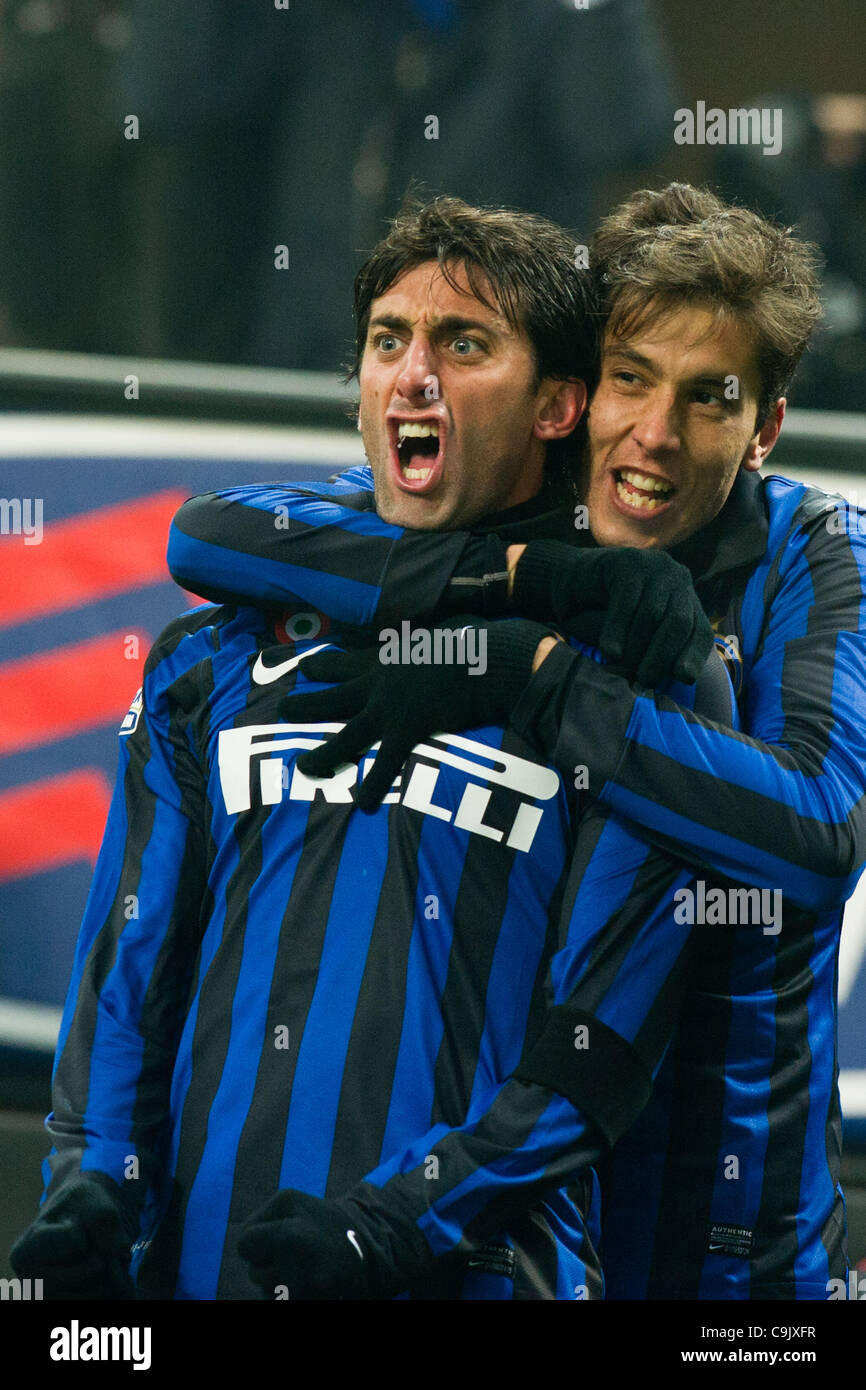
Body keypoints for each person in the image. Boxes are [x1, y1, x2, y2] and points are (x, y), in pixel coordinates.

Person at [9, 197, 728, 1301]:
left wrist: (395, 1221)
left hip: (469, 1274)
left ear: (555, 405)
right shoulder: (213, 652)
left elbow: (601, 1047)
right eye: (388, 340)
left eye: (462, 343)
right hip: (204, 1270)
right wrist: (95, 1179)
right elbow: (130, 963)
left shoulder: (634, 675)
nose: (413, 374)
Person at [166, 184, 866, 1298]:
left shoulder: (816, 554)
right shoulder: (509, 531)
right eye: (629, 380)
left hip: (735, 1261)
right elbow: (209, 534)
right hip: (534, 1225)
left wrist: (529, 678)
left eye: (708, 399)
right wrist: (526, 582)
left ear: (765, 427)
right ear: (576, 394)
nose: (653, 433)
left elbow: (820, 830)